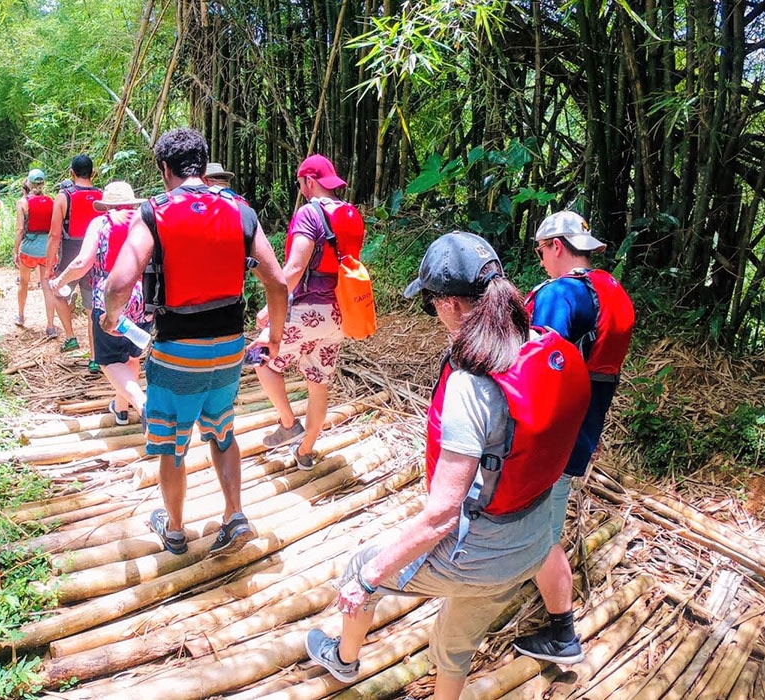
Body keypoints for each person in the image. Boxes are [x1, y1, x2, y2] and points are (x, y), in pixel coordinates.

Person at [304, 232, 591, 699]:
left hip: (479, 552)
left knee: (358, 568)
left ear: (452, 305)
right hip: (533, 543)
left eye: (432, 303)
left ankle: (344, 659)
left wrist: (370, 577)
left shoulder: (472, 385)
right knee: (456, 646)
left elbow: (440, 516)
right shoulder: (554, 349)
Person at [102, 128, 288, 558]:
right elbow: (277, 283)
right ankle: (234, 514)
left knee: (171, 443)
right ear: (203, 166)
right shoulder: (240, 210)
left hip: (176, 353)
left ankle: (176, 530)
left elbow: (117, 283)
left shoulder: (154, 212)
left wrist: (113, 320)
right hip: (229, 348)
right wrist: (273, 338)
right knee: (222, 433)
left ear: (164, 169)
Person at [511, 211, 636, 664]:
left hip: (550, 433)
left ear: (557, 246)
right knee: (551, 511)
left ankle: (562, 632)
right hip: (582, 430)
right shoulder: (611, 290)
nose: (541, 259)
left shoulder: (561, 294)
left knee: (541, 531)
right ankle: (531, 570)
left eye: (542, 250)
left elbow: (538, 368)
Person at [254, 155, 363, 468]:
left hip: (308, 310)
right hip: (339, 313)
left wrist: (270, 305)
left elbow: (296, 266)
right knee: (318, 382)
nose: (301, 190)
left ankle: (289, 425)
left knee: (262, 359)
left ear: (309, 181)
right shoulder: (351, 213)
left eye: (301, 183)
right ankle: (305, 452)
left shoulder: (309, 213)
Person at [50, 182, 150, 423]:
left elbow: (82, 262)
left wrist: (59, 281)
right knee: (131, 357)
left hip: (111, 298)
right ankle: (121, 409)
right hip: (143, 297)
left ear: (107, 204)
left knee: (109, 360)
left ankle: (143, 404)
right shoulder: (145, 223)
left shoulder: (102, 223)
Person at [49, 156, 103, 361]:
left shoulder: (64, 196)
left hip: (69, 259)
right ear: (93, 172)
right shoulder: (102, 196)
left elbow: (54, 235)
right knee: (92, 309)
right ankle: (95, 358)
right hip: (95, 259)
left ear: (71, 173)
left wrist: (49, 265)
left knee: (58, 293)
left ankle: (71, 336)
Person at [13, 169, 58, 335]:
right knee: (47, 287)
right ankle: (51, 326)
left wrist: (15, 249)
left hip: (28, 249)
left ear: (28, 183)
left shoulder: (22, 203)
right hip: (47, 250)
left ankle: (21, 315)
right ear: (43, 183)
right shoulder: (52, 202)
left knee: (24, 282)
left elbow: (19, 229)